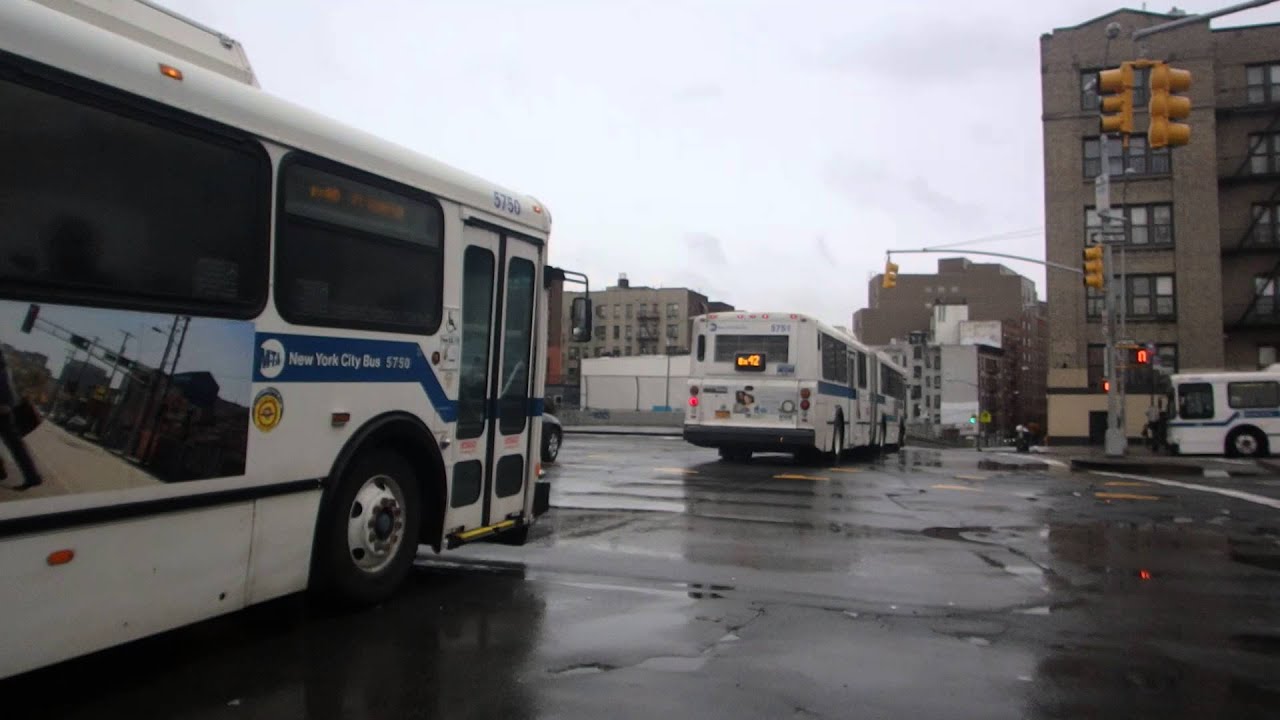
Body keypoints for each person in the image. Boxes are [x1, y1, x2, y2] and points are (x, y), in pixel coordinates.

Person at [0, 350, 42, 490]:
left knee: (16, 446)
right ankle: (32, 477)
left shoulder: (3, 372)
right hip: (5, 410)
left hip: (3, 411)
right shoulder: (4, 370)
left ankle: (32, 477)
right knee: (16, 446)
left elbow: (7, 394)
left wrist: (6, 405)